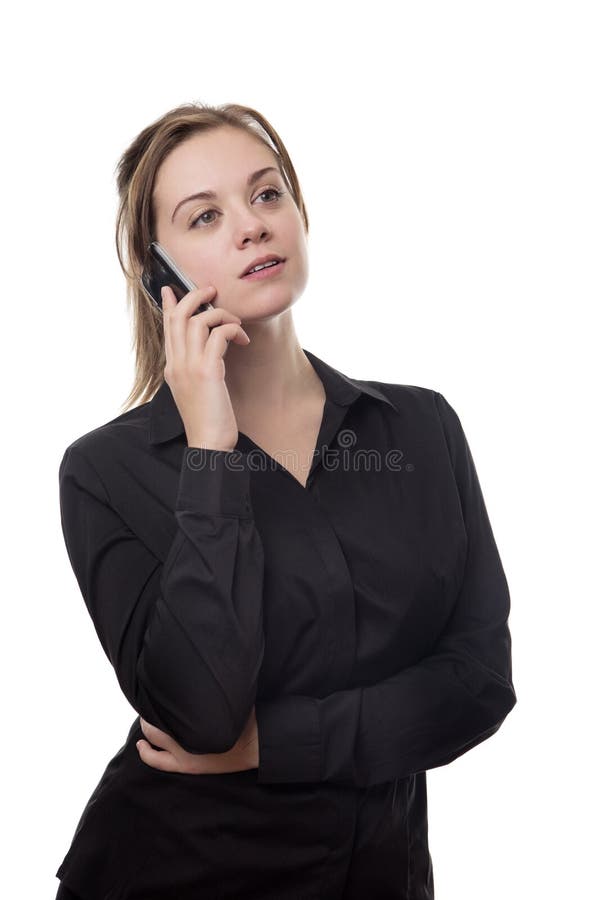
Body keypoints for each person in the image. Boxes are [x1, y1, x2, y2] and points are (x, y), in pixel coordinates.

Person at [54, 101, 517, 900]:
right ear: (156, 271)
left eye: (267, 195)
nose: (251, 226)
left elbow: (477, 684)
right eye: (205, 216)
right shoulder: (105, 471)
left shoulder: (420, 428)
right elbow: (198, 715)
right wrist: (209, 451)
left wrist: (275, 742)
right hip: (173, 874)